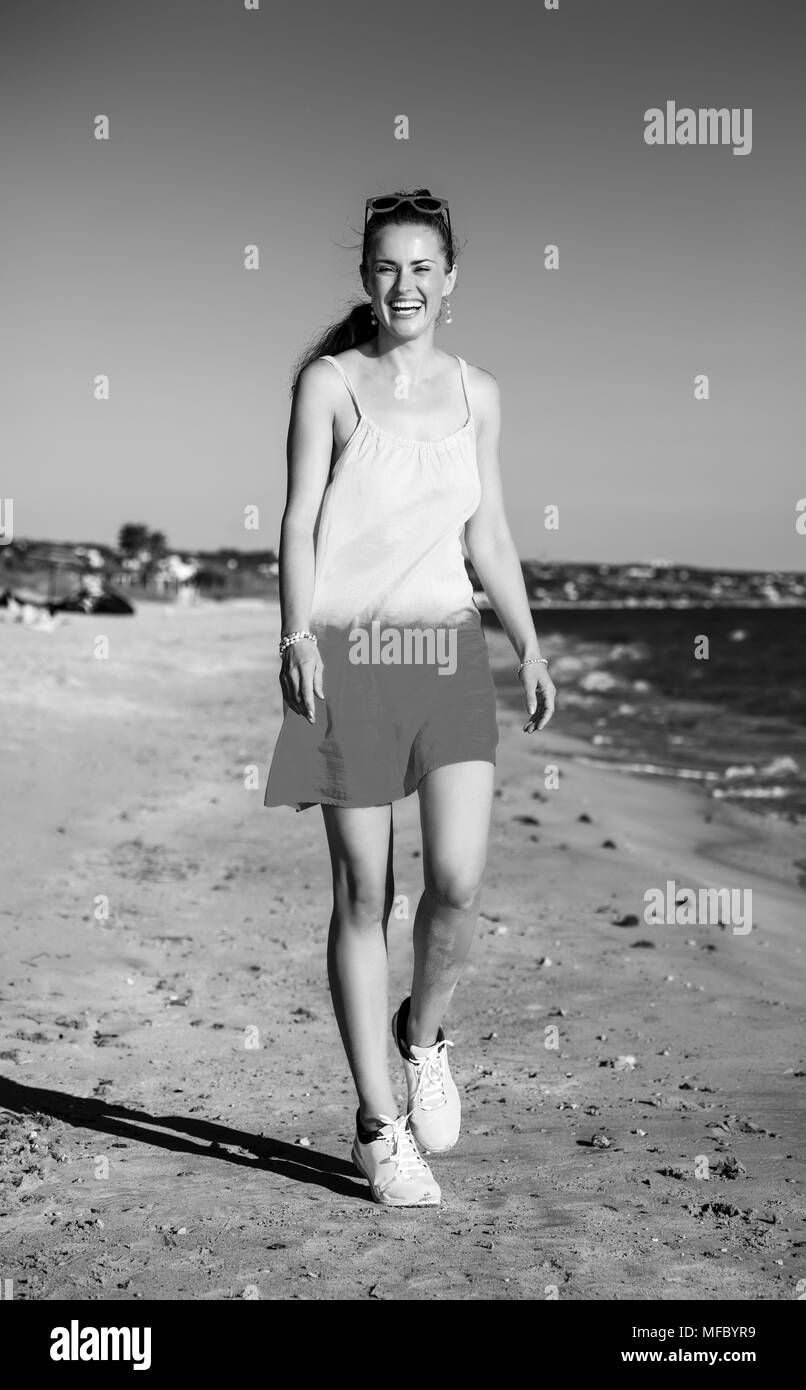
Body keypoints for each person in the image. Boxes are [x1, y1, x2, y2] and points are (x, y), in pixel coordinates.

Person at [264, 189, 555, 1206]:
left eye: (422, 266)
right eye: (387, 266)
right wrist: (295, 634)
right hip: (346, 656)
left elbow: (491, 536)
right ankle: (378, 1122)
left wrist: (526, 642)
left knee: (460, 881)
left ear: (450, 278)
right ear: (366, 278)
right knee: (361, 894)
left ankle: (421, 1033)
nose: (404, 285)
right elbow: (298, 521)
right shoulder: (330, 385)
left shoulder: (479, 394)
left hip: (447, 654)